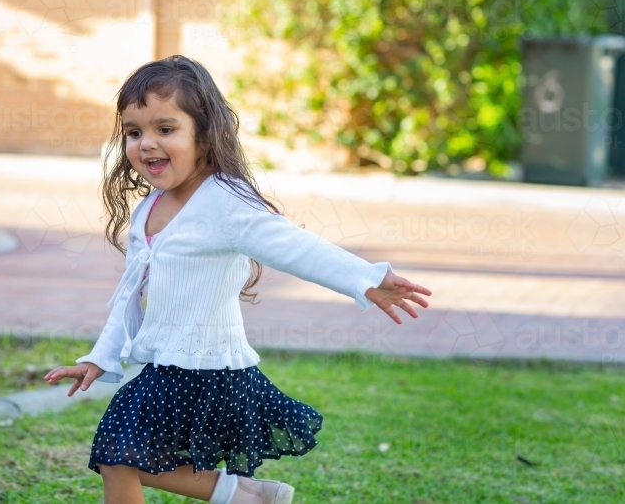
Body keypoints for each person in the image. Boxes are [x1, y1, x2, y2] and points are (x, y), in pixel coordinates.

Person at [44, 56, 431, 504]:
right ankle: (243, 495)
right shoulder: (148, 209)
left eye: (165, 130)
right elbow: (131, 294)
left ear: (205, 135)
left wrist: (365, 279)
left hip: (207, 369)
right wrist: (101, 357)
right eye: (134, 132)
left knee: (119, 453)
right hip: (171, 367)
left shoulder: (226, 201)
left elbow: (294, 247)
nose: (146, 144)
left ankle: (241, 494)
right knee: (119, 456)